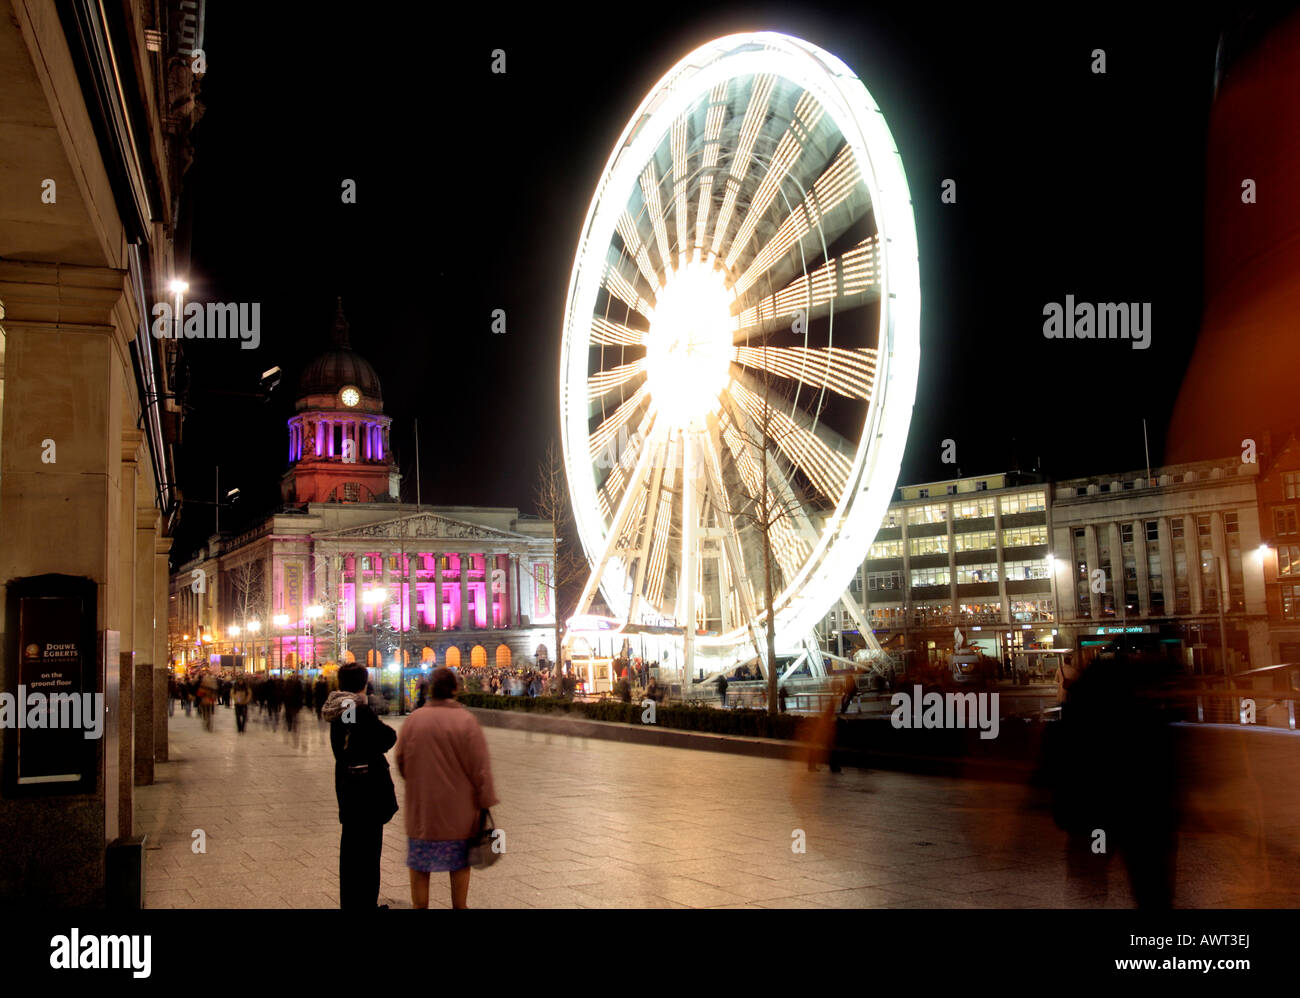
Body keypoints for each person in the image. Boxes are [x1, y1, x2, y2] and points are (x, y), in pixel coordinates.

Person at [395, 667, 498, 910]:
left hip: (423, 811)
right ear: (455, 689)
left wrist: (419, 782)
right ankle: (459, 907)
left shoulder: (414, 720)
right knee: (459, 864)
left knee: (420, 865)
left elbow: (401, 761)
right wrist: (486, 800)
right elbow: (480, 768)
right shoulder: (466, 721)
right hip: (459, 814)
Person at [324, 663, 398, 910]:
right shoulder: (354, 707)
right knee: (367, 853)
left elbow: (348, 742)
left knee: (352, 852)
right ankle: (365, 904)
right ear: (363, 684)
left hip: (349, 788)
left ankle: (352, 903)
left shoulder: (342, 707)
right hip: (366, 793)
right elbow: (386, 737)